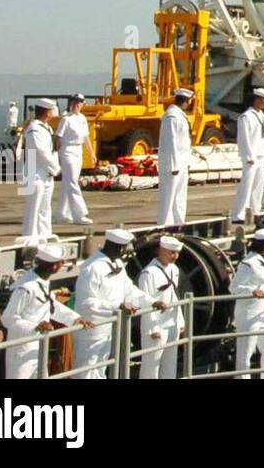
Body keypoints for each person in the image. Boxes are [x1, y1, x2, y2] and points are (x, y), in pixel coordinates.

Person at [73, 228, 155, 378]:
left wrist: (152, 302)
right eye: (125, 248)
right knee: (86, 371)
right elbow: (86, 302)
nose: (126, 252)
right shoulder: (92, 268)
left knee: (100, 369)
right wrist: (117, 306)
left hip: (109, 329)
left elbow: (129, 290)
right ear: (119, 247)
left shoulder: (117, 265)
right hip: (91, 330)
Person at [1, 244, 92, 379]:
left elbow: (51, 305)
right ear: (55, 266)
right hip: (22, 348)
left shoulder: (42, 282)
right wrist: (35, 326)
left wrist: (74, 319)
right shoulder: (25, 287)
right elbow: (7, 318)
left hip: (39, 344)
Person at [230, 228, 264, 378]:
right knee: (245, 355)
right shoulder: (248, 264)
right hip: (247, 313)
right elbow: (233, 287)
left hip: (260, 313)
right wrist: (252, 291)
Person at [136, 235, 185, 379]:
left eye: (176, 253)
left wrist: (180, 321)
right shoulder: (148, 273)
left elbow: (175, 295)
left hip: (172, 322)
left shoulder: (173, 269)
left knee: (170, 364)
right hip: (156, 324)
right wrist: (153, 328)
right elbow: (144, 301)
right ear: (162, 250)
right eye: (172, 253)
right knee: (151, 366)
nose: (175, 256)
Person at [20, 98, 60, 244]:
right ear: (47, 112)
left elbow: (52, 151)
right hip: (35, 174)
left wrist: (53, 169)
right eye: (52, 110)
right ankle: (29, 242)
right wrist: (55, 168)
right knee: (33, 210)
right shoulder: (34, 129)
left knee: (45, 210)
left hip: (46, 174)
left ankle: (45, 239)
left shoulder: (46, 128)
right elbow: (40, 152)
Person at [231, 88, 264, 223]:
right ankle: (239, 214)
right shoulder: (246, 117)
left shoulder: (262, 117)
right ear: (257, 99)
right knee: (246, 186)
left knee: (258, 187)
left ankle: (255, 211)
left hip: (261, 156)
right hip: (252, 157)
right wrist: (248, 156)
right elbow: (244, 138)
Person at [55, 94, 94, 225]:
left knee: (68, 182)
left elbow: (86, 137)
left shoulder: (82, 118)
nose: (77, 105)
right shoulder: (66, 119)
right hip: (67, 150)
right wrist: (57, 155)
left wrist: (92, 154)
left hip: (78, 151)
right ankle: (79, 214)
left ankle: (61, 214)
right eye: (75, 102)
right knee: (72, 182)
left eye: (80, 102)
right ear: (71, 103)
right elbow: (58, 138)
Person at [157, 88, 194, 227]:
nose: (189, 104)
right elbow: (170, 142)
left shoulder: (179, 115)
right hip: (172, 162)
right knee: (168, 194)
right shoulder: (171, 116)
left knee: (180, 194)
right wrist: (174, 165)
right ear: (185, 101)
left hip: (182, 160)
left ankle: (178, 221)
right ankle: (164, 224)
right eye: (189, 101)